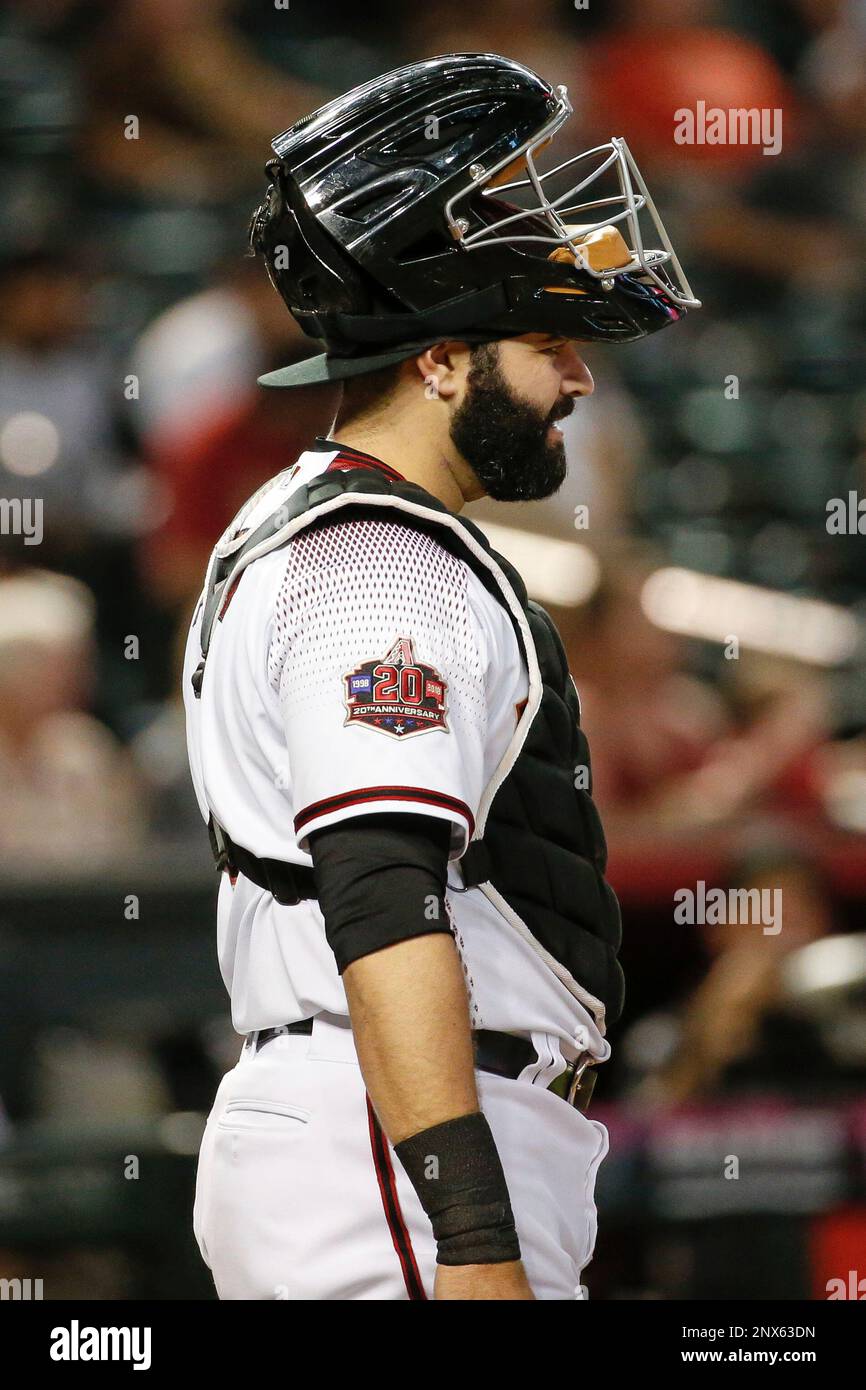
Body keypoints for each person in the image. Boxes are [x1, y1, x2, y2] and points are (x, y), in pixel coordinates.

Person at [183, 52, 698, 1300]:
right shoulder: (379, 563)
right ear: (438, 361)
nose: (576, 377)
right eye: (543, 341)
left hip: (388, 1138)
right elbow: (380, 893)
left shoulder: (345, 526)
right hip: (399, 1152)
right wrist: (469, 1240)